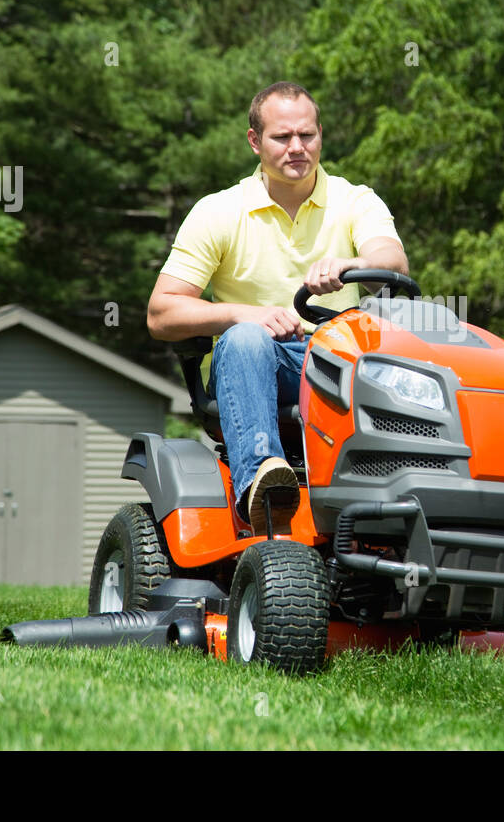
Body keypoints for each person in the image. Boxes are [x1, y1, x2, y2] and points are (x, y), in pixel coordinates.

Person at [146, 81, 408, 533]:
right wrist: (242, 313)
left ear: (321, 135)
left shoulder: (355, 200)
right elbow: (161, 313)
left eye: (307, 135)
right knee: (246, 337)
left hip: (341, 366)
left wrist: (354, 263)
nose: (297, 147)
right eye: (282, 137)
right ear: (255, 141)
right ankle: (266, 488)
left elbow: (392, 262)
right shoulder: (218, 212)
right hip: (260, 363)